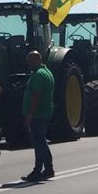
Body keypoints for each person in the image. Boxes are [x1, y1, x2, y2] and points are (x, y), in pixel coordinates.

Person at [22, 50, 55, 182]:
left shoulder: (38, 75)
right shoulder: (47, 72)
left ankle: (39, 170)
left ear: (37, 60)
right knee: (41, 141)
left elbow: (36, 96)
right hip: (45, 112)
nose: (27, 63)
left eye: (29, 60)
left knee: (39, 142)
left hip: (38, 114)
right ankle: (48, 169)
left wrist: (29, 114)